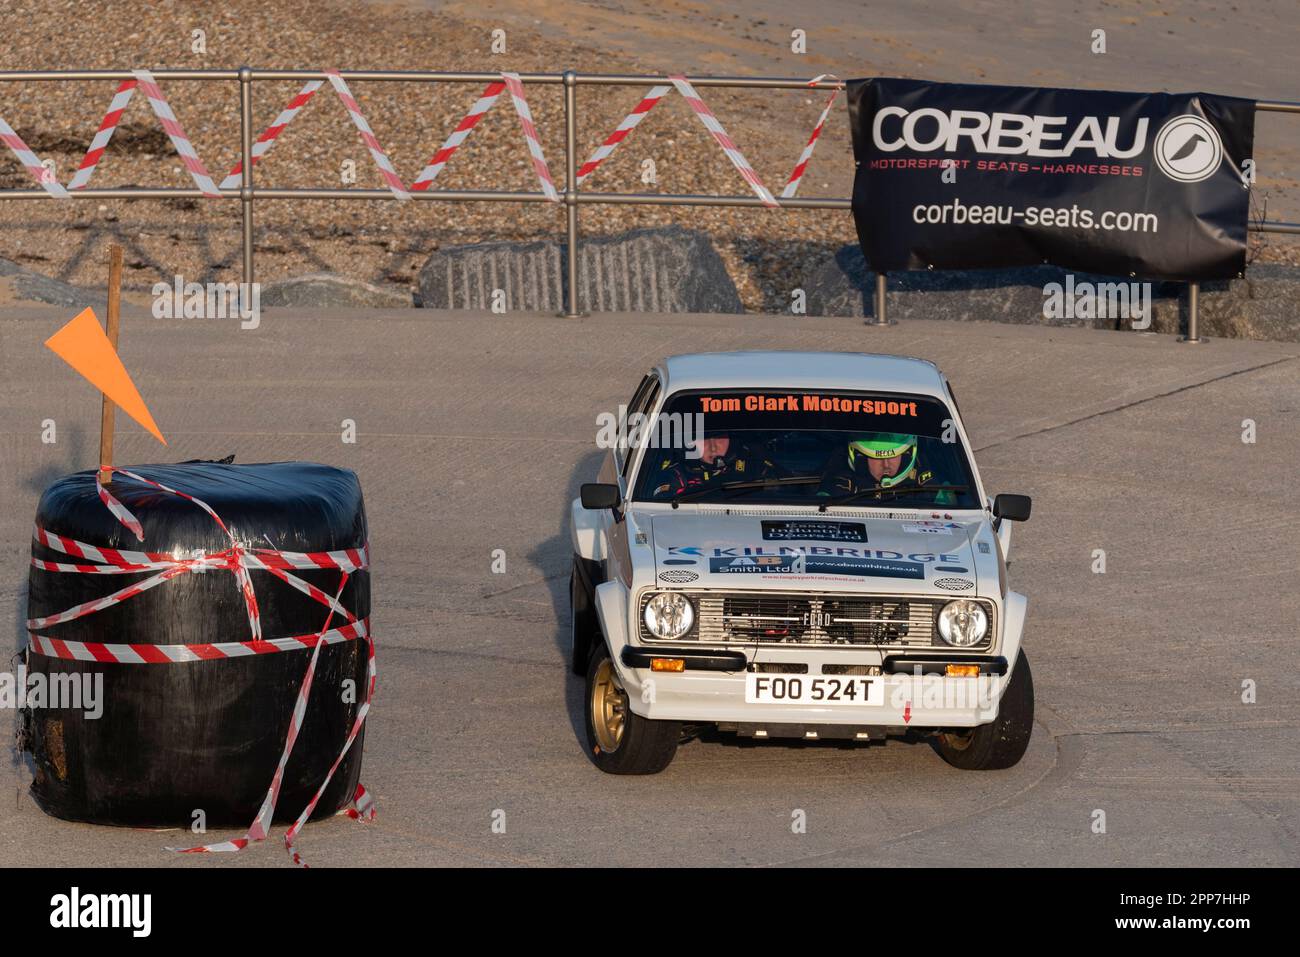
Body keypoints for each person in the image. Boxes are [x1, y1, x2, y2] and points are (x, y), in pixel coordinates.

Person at [818, 432, 952, 503]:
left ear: (906, 454)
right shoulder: (841, 487)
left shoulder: (928, 485)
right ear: (861, 457)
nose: (886, 464)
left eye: (893, 456)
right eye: (876, 457)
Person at [648, 433, 774, 498]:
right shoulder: (678, 473)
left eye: (719, 437)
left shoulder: (754, 464)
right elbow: (663, 511)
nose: (713, 447)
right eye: (704, 438)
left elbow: (789, 488)